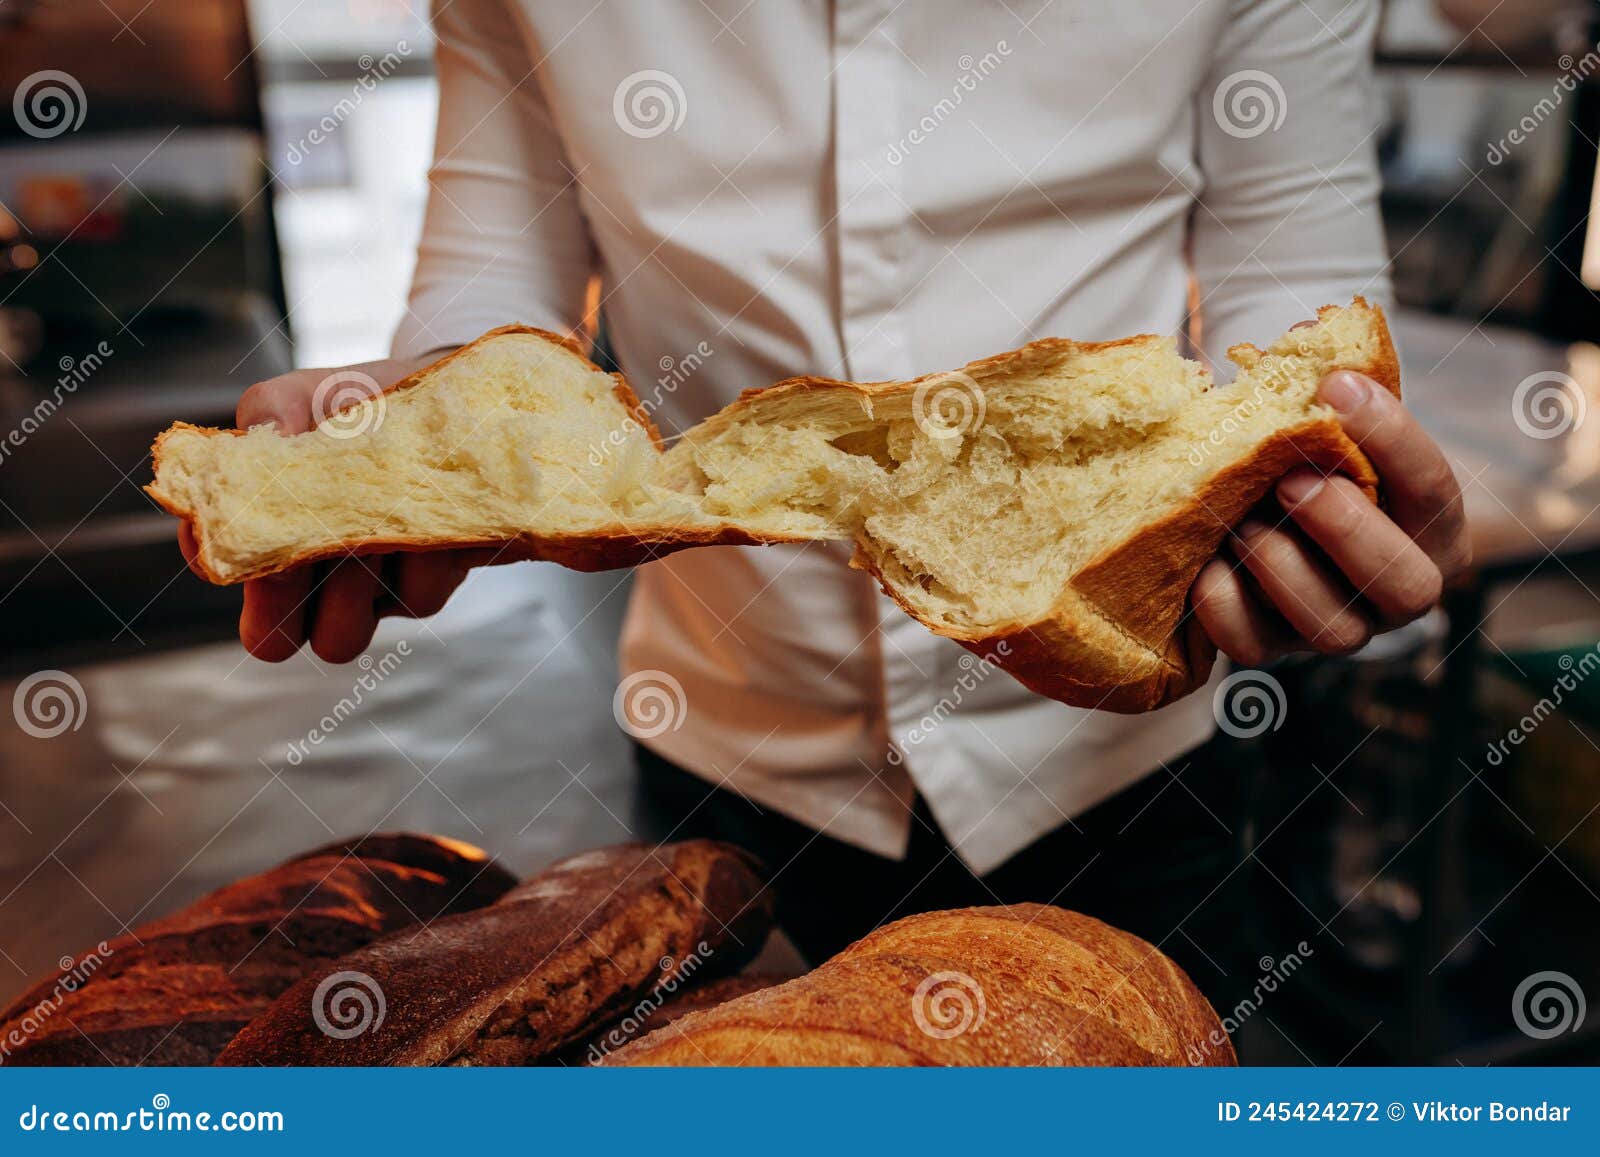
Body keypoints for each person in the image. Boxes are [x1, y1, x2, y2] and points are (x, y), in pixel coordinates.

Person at [192, 1, 1470, 999]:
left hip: (1121, 767)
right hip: (726, 742)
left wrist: (1314, 499)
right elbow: (489, 280)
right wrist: (405, 428)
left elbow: (1297, 299)